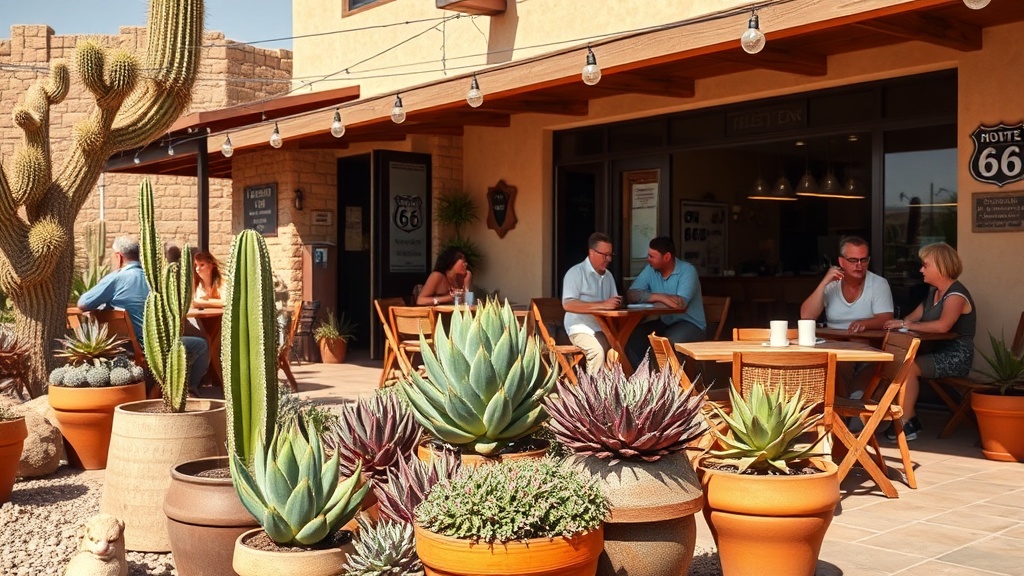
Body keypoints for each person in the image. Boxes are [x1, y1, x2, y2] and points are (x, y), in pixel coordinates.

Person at [78, 236, 213, 399]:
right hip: (161, 346)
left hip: (128, 348)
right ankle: (189, 390)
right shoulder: (157, 280)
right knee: (201, 345)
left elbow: (83, 303)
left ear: (119, 257)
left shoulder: (116, 279)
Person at [882, 243, 974, 441]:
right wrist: (898, 324)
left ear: (941, 266)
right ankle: (907, 419)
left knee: (908, 368)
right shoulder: (934, 292)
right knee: (895, 363)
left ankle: (906, 422)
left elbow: (943, 326)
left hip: (955, 356)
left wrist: (905, 323)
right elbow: (912, 318)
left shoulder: (956, 294)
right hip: (933, 351)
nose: (921, 269)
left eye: (925, 265)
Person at [625, 236, 706, 368]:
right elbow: (631, 294)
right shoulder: (650, 269)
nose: (648, 259)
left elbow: (680, 304)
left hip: (691, 324)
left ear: (667, 257)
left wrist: (650, 296)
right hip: (665, 322)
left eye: (652, 256)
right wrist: (660, 297)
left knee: (668, 342)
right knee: (634, 338)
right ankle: (643, 380)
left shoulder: (687, 271)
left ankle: (671, 385)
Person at [800, 235, 895, 333]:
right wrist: (824, 283)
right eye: (853, 260)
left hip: (866, 341)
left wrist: (864, 324)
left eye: (863, 260)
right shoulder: (832, 282)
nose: (859, 265)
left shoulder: (879, 283)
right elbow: (806, 316)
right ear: (841, 262)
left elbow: (886, 320)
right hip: (833, 341)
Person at [562, 232, 622, 373]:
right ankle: (592, 393)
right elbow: (568, 304)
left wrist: (616, 303)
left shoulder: (608, 276)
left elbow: (611, 302)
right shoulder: (576, 273)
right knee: (597, 352)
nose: (609, 259)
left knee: (618, 351)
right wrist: (602, 304)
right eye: (604, 255)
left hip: (602, 329)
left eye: (610, 255)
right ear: (592, 252)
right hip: (580, 328)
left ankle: (611, 391)